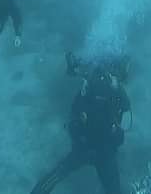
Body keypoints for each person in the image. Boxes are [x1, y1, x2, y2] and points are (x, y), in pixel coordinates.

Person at [30, 51, 133, 194]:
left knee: (58, 173)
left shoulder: (90, 85)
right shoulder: (115, 90)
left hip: (84, 144)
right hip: (105, 151)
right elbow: (126, 122)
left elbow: (75, 109)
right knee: (114, 189)